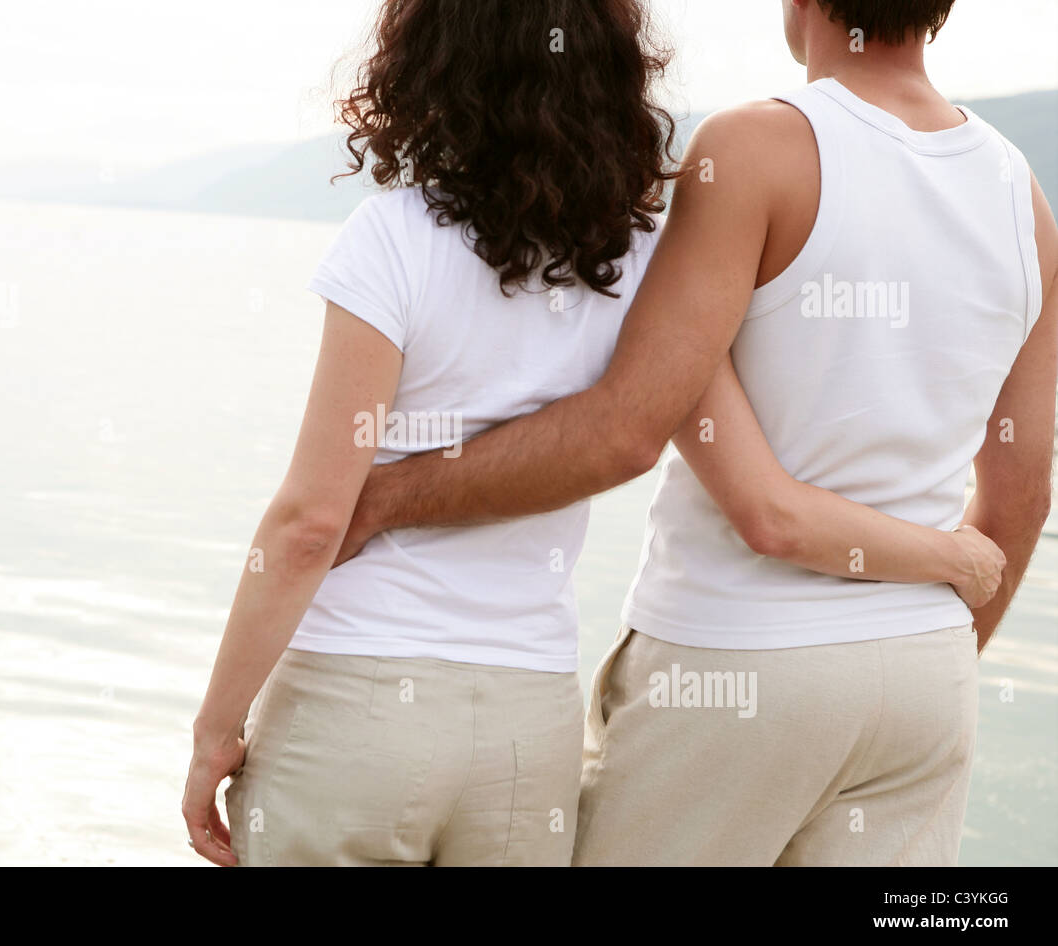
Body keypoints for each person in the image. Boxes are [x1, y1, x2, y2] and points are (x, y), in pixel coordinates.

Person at [331, 0, 1056, 866]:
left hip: (737, 662)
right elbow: (1019, 499)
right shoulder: (1022, 196)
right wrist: (926, 637)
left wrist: (380, 498)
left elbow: (631, 433)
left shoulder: (753, 147)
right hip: (927, 678)